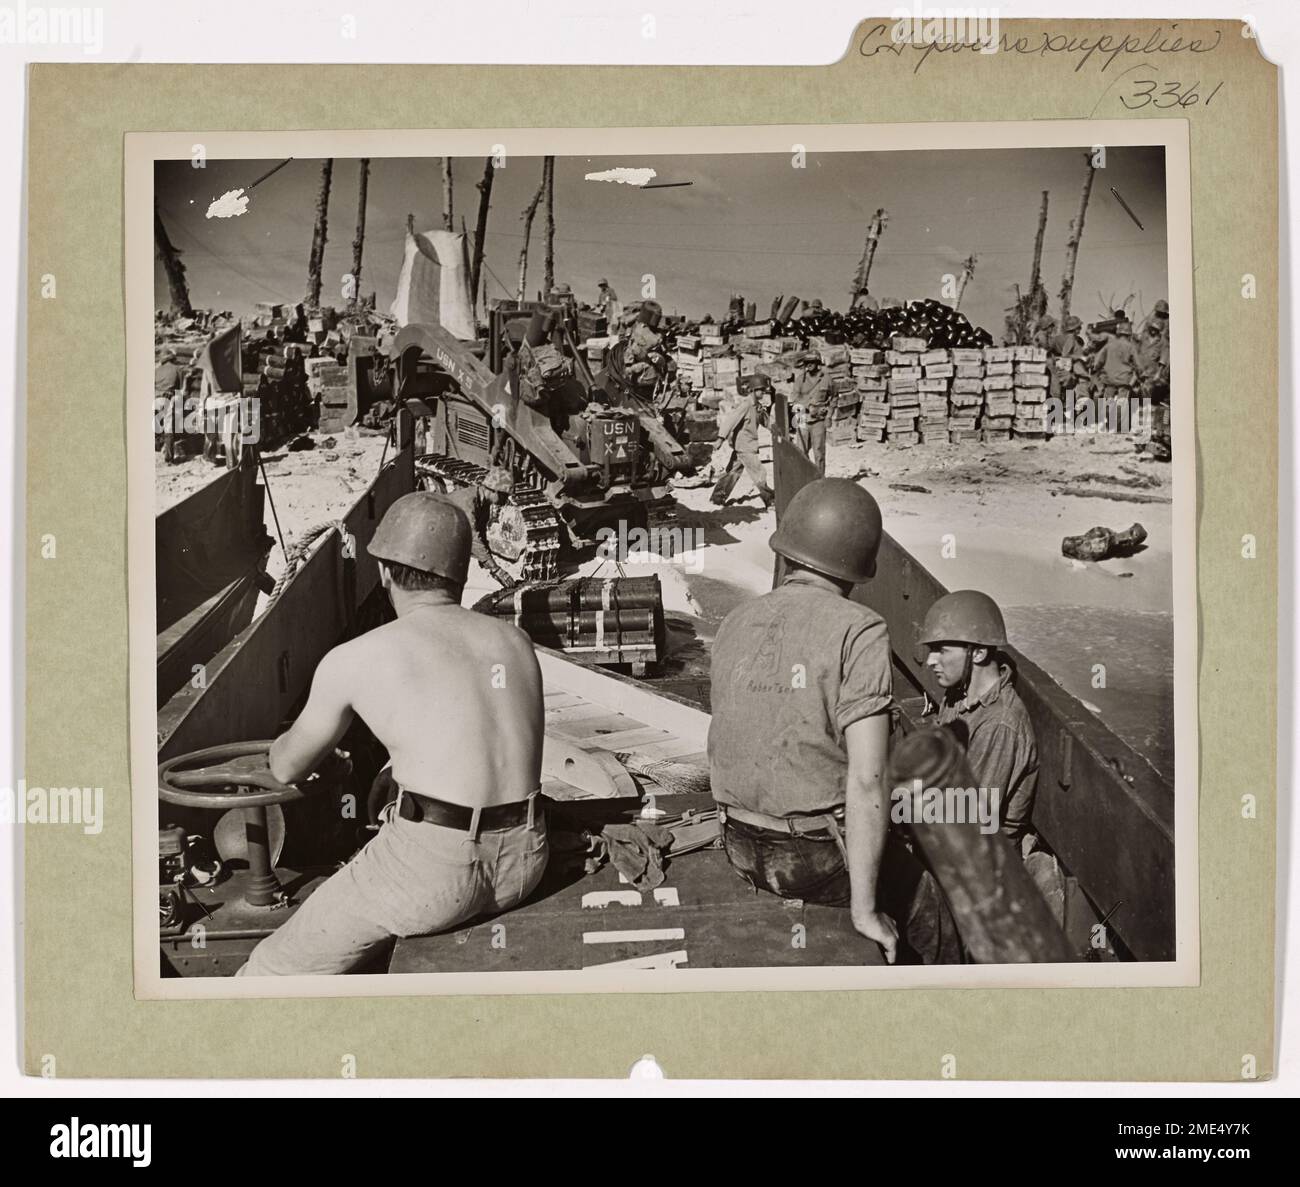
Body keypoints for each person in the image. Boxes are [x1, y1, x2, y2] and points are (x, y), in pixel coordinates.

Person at [238, 492, 548, 976]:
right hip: (525, 859)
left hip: (433, 875)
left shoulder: (355, 657)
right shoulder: (515, 641)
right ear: (461, 574)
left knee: (266, 973)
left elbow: (285, 767)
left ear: (384, 572)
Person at [708, 478, 962, 965]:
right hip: (814, 860)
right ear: (859, 561)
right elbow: (867, 780)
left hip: (737, 844)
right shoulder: (859, 629)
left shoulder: (735, 621)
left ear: (789, 548)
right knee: (932, 912)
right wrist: (864, 910)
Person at [919, 590, 1038, 842]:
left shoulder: (999, 723)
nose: (931, 660)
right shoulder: (959, 695)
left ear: (979, 654)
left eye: (942, 650)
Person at [444, 467, 518, 589]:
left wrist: (486, 560)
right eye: (504, 496)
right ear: (494, 491)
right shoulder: (468, 501)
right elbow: (473, 538)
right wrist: (495, 569)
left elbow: (481, 532)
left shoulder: (483, 504)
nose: (505, 501)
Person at [710, 374, 773, 509]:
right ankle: (770, 500)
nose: (763, 392)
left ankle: (717, 498)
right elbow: (731, 420)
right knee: (759, 472)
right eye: (761, 390)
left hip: (743, 446)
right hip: (745, 446)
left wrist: (777, 430)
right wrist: (721, 438)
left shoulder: (756, 406)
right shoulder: (745, 405)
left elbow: (766, 421)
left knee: (732, 472)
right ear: (753, 390)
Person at [792, 351, 832, 471]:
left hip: (818, 420)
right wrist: (808, 406)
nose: (809, 365)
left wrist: (829, 415)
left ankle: (820, 479)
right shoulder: (800, 380)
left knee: (819, 453)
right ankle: (805, 477)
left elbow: (834, 396)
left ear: (817, 363)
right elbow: (794, 398)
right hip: (802, 417)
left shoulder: (826, 379)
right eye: (807, 362)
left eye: (812, 362)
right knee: (801, 451)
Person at [155, 349, 186, 463]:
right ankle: (168, 458)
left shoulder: (156, 371)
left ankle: (158, 448)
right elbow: (182, 390)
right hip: (169, 398)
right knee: (169, 428)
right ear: (172, 358)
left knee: (158, 425)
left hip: (156, 399)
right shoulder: (178, 369)